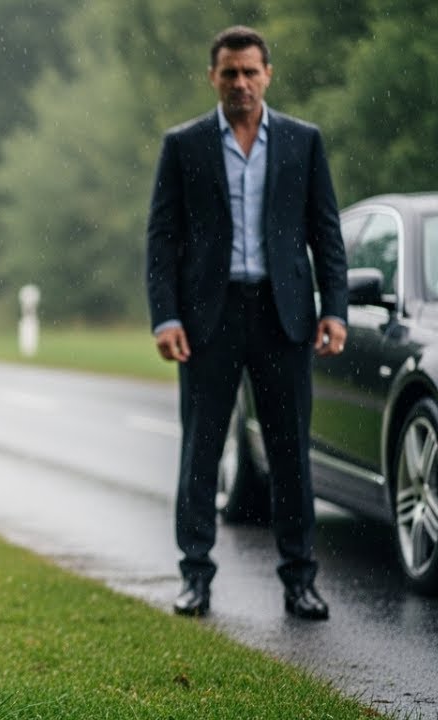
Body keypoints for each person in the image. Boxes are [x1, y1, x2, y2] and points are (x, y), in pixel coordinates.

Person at [145, 26, 348, 620]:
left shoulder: (301, 142)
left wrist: (333, 307)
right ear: (213, 76)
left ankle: (300, 581)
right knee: (200, 451)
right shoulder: (183, 145)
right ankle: (196, 578)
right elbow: (162, 240)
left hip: (283, 317)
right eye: (229, 73)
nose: (240, 83)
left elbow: (325, 232)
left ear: (268, 75)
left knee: (290, 456)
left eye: (250, 72)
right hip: (208, 318)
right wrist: (166, 317)